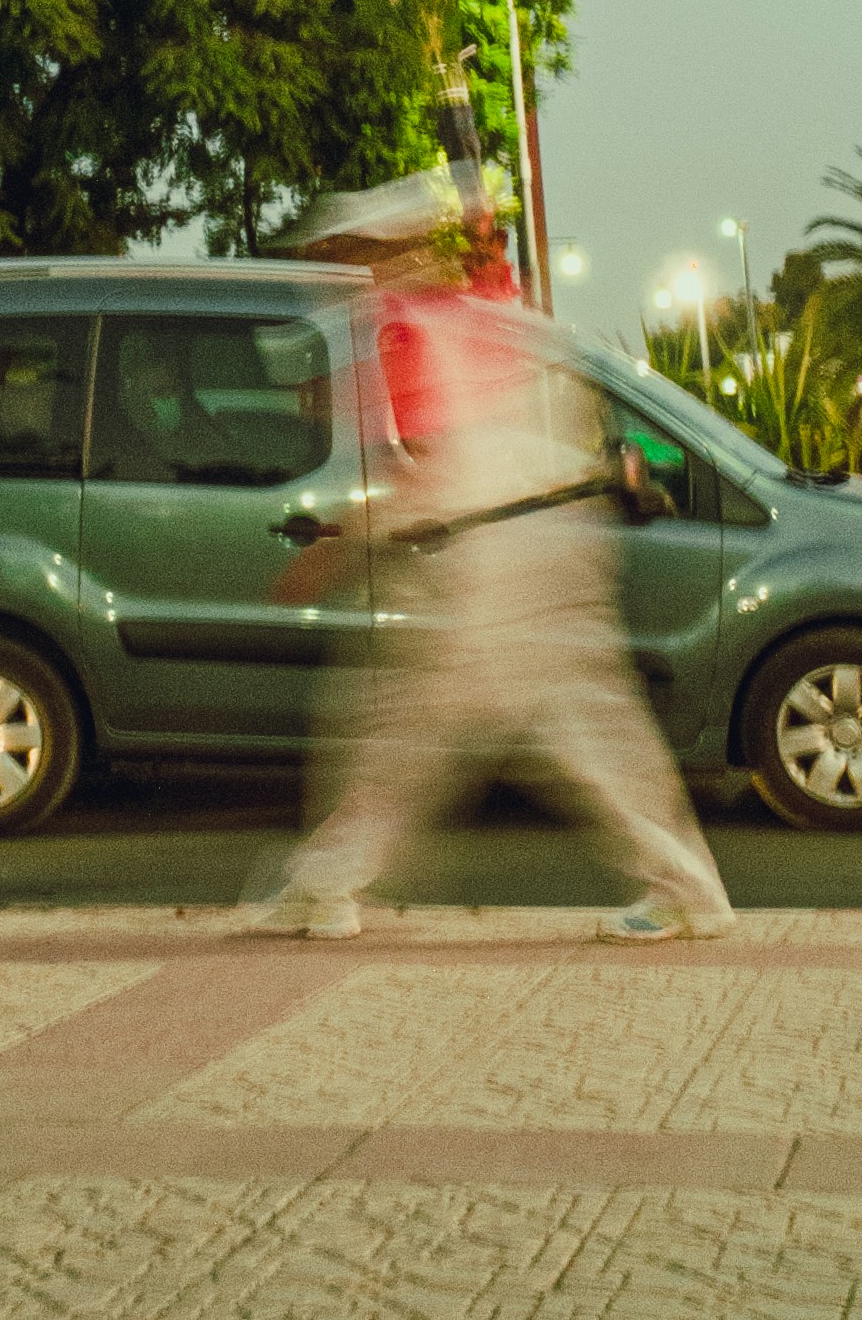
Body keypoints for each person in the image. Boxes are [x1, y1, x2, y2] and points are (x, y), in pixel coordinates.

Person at [251, 168, 734, 945]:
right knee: (474, 724)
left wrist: (343, 543)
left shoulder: (398, 325)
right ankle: (327, 879)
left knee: (443, 727)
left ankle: (329, 882)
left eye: (340, 248)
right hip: (549, 534)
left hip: (502, 552)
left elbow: (432, 460)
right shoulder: (475, 305)